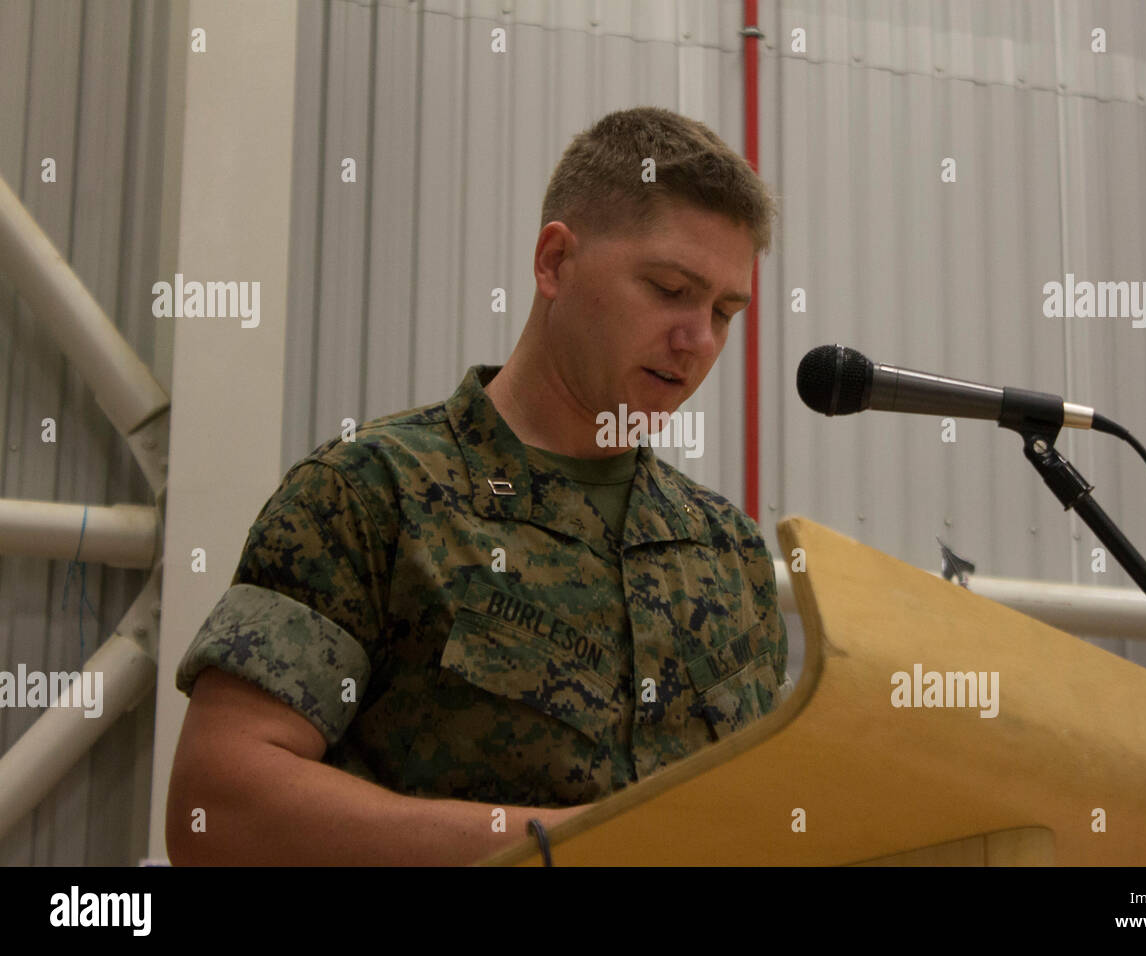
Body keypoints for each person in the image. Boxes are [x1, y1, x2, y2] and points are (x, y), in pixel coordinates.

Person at [165, 106, 789, 866]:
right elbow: (218, 806)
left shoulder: (728, 553)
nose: (698, 341)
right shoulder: (371, 494)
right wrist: (567, 849)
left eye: (725, 313)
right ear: (554, 262)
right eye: (668, 290)